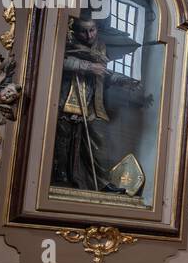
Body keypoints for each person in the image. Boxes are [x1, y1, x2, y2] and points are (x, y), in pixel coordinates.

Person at [51, 17, 145, 193]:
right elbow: (59, 60)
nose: (89, 35)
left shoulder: (99, 50)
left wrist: (124, 80)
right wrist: (88, 66)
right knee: (64, 144)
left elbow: (104, 74)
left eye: (92, 30)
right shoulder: (68, 44)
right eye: (83, 31)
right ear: (75, 32)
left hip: (89, 106)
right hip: (67, 103)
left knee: (96, 145)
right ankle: (61, 180)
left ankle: (98, 183)